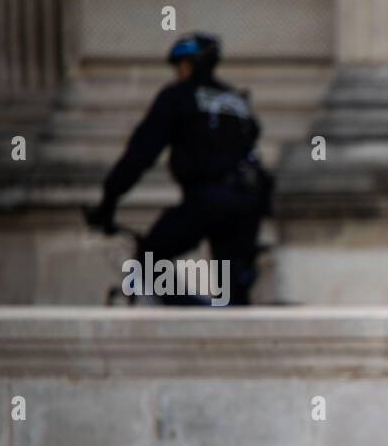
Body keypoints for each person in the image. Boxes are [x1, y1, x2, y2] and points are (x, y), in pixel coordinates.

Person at [83, 32, 272, 306]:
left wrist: (108, 201)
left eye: (179, 66)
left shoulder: (178, 97)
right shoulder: (237, 102)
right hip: (247, 204)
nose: (178, 72)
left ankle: (192, 317)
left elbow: (140, 153)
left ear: (188, 65)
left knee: (150, 261)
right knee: (234, 292)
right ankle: (222, 322)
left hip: (207, 199)